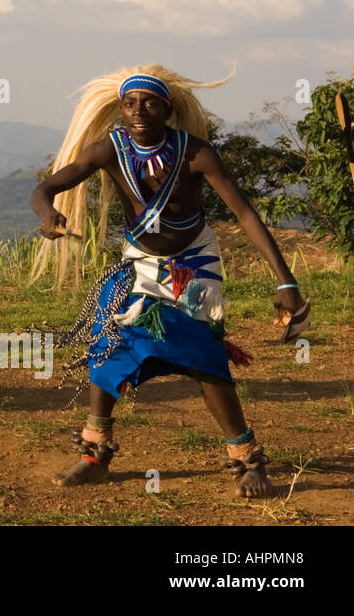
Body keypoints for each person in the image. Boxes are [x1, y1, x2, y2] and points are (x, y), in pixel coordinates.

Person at [30, 66, 309, 497]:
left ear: (168, 109)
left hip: (194, 263)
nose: (139, 111)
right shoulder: (108, 150)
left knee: (200, 352)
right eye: (130, 104)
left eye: (149, 103)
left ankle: (247, 459)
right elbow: (44, 189)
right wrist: (47, 213)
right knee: (109, 342)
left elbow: (244, 214)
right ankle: (95, 454)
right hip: (140, 261)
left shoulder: (196, 153)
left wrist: (285, 282)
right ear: (120, 111)